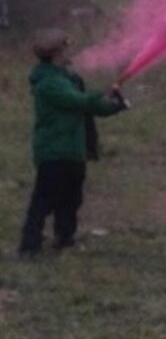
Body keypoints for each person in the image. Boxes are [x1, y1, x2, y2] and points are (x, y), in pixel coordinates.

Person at [17, 28, 128, 259]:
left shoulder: (69, 78)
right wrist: (102, 96)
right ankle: (29, 246)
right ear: (56, 53)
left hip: (73, 151)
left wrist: (115, 103)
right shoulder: (48, 83)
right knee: (44, 200)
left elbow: (90, 106)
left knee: (71, 198)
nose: (70, 51)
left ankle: (64, 239)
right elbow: (79, 102)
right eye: (65, 47)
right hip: (54, 151)